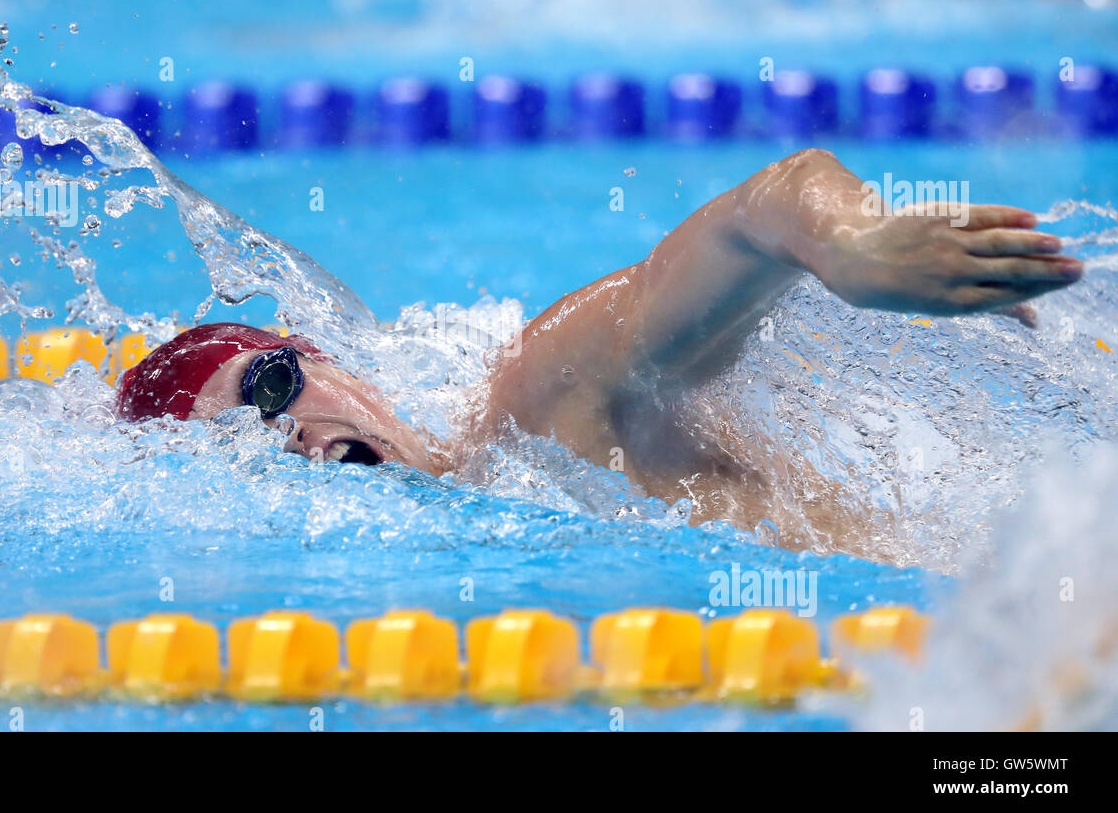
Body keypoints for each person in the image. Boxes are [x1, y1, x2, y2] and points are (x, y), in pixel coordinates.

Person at [116, 149, 1083, 547]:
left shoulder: (544, 408)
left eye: (274, 386)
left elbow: (763, 209)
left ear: (331, 363)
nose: (289, 439)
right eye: (236, 448)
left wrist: (851, 247)